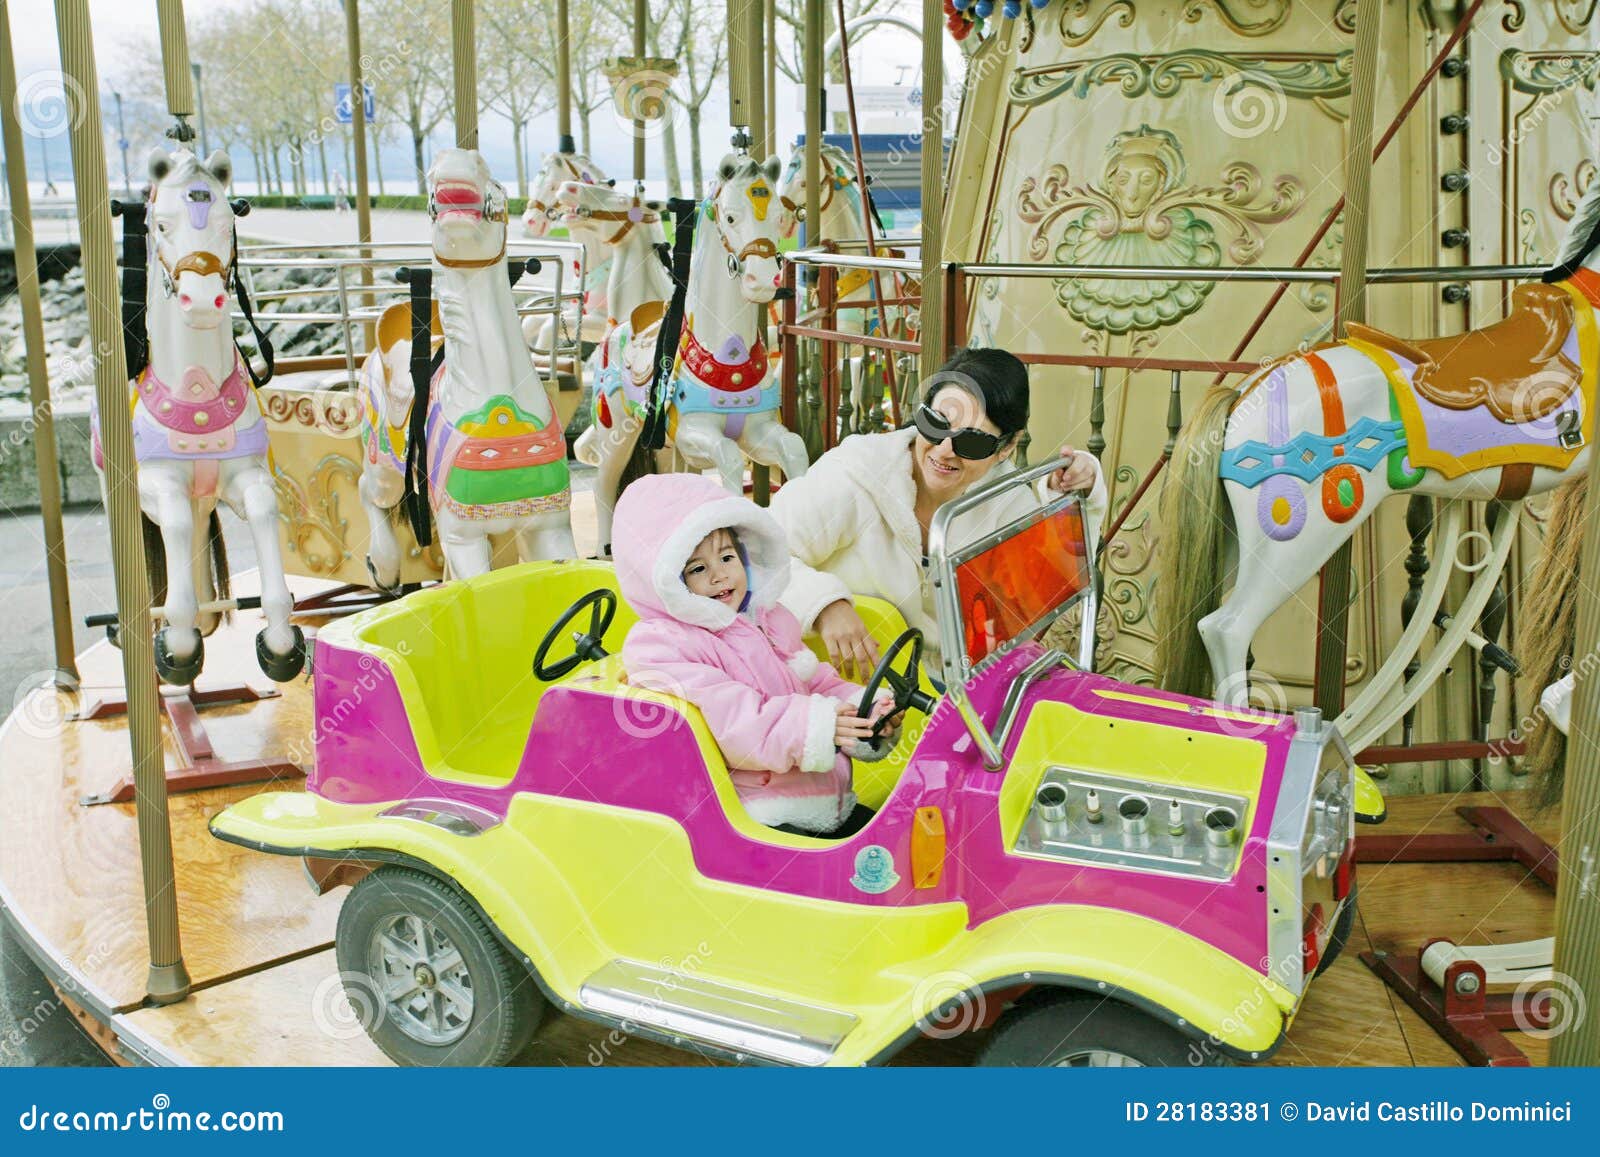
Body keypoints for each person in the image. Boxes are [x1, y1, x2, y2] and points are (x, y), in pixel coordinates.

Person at [770, 347, 1109, 675]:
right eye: (935, 423)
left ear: (1006, 447)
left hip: (940, 691)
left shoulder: (1005, 502)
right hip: (827, 680)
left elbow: (1048, 585)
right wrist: (824, 605)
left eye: (972, 441)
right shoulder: (855, 474)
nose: (944, 450)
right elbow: (759, 552)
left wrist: (1074, 493)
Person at [614, 473, 894, 836]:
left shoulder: (765, 619)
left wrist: (862, 711)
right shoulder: (662, 647)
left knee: (893, 836)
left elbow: (813, 681)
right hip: (753, 814)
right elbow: (736, 723)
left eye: (727, 557)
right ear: (665, 583)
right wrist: (819, 726)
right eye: (698, 568)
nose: (720, 576)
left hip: (820, 797)